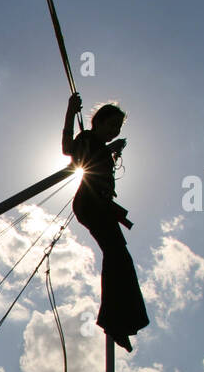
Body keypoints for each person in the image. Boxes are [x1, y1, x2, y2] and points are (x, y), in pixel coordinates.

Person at [62, 92, 149, 352]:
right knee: (117, 257)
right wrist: (69, 112)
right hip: (90, 203)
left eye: (118, 128)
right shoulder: (87, 139)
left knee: (120, 259)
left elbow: (97, 158)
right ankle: (114, 321)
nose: (114, 130)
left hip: (101, 206)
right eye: (111, 125)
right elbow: (69, 149)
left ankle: (120, 321)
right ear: (98, 122)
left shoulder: (99, 147)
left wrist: (111, 151)